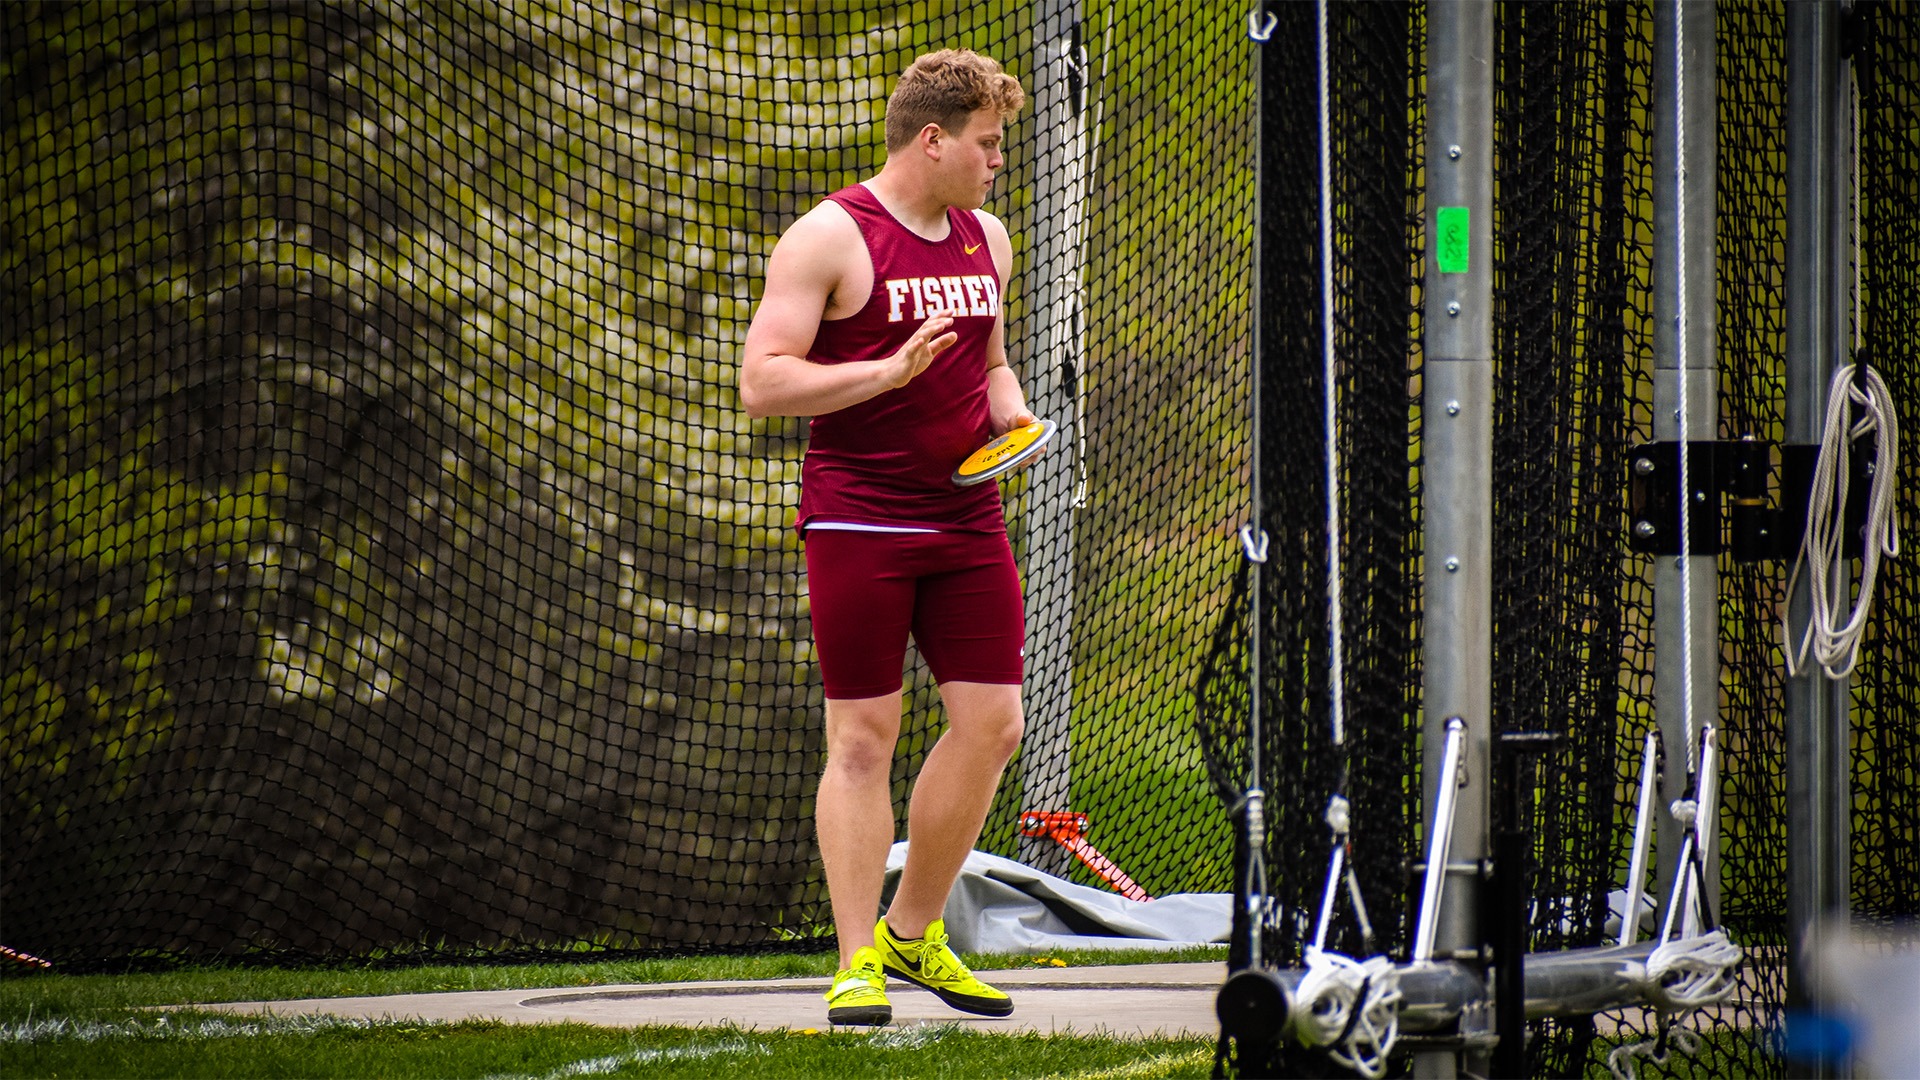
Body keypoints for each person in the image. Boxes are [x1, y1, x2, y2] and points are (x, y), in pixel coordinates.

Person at [739, 49, 1033, 1027]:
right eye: (987, 144)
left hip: (964, 514)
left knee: (994, 725)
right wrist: (883, 376)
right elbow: (762, 383)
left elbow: (990, 363)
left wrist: (1013, 417)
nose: (998, 162)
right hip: (860, 511)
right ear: (934, 138)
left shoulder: (987, 237)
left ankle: (915, 936)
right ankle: (856, 959)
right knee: (863, 740)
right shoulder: (829, 235)